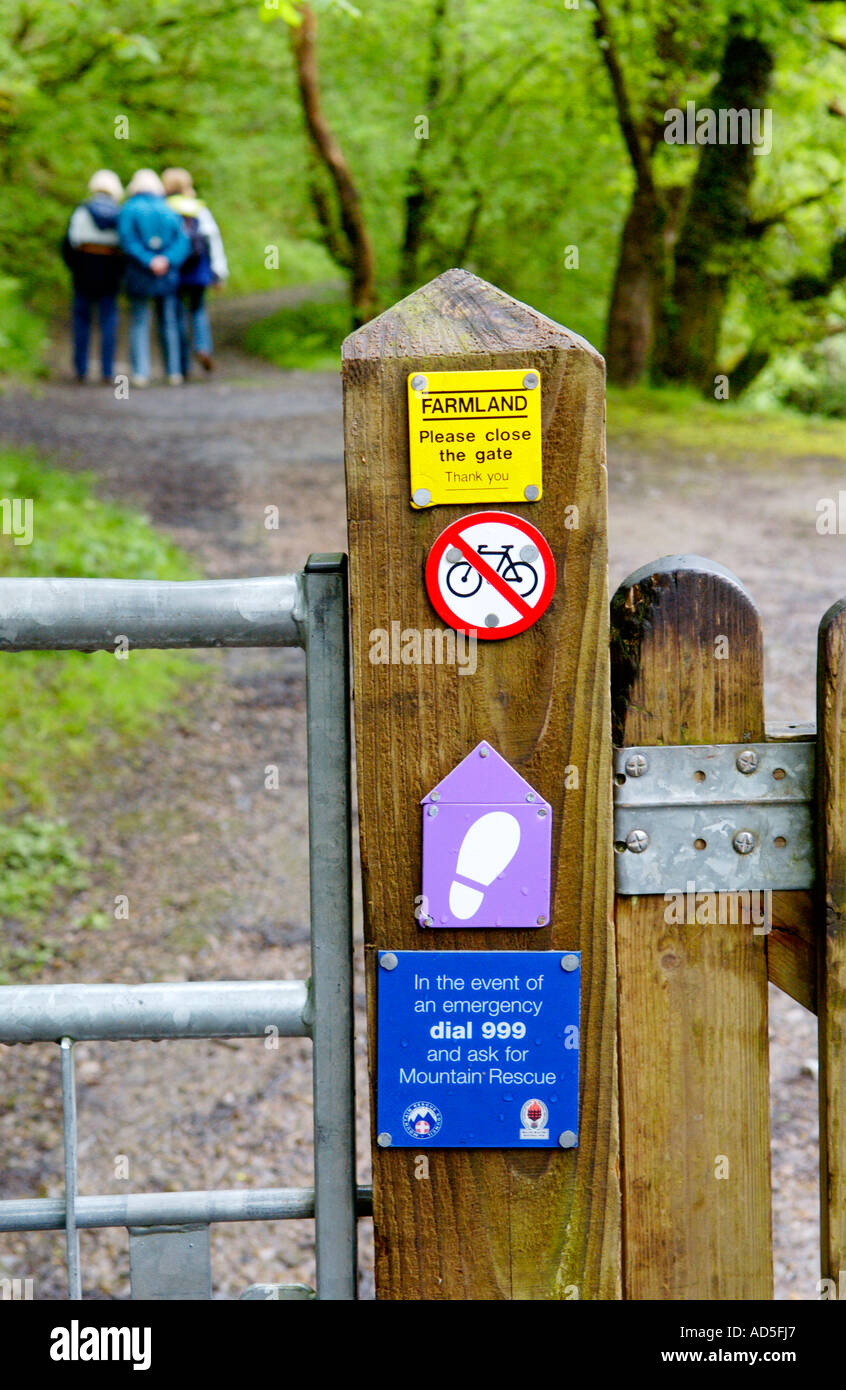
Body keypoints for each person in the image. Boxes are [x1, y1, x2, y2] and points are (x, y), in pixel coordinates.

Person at [117, 169, 191, 386]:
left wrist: (148, 260)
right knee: (168, 321)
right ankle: (173, 371)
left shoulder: (129, 209)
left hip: (139, 273)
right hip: (166, 274)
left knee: (139, 321)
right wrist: (166, 260)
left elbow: (127, 240)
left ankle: (141, 372)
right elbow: (182, 242)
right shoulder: (168, 209)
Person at [161, 167, 228, 376]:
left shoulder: (163, 207)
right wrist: (219, 272)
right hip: (199, 268)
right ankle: (202, 347)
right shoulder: (198, 208)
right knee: (198, 310)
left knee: (175, 314)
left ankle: (181, 365)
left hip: (173, 268)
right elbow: (212, 240)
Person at [61, 170, 124, 383]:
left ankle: (81, 369)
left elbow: (70, 242)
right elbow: (124, 245)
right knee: (108, 321)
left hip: (84, 269)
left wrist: (75, 266)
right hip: (109, 271)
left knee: (82, 321)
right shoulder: (119, 213)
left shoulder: (82, 210)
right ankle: (107, 371)